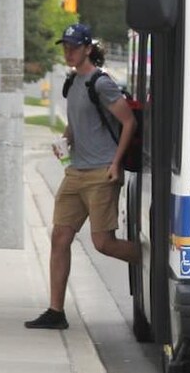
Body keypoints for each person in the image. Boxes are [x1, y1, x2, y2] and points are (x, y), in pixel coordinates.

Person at [26, 23, 139, 330]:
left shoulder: (100, 83)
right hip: (75, 172)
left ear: (88, 48)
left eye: (74, 47)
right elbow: (77, 122)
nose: (68, 51)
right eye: (65, 46)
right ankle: (56, 311)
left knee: (103, 243)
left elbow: (128, 122)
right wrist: (65, 139)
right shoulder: (72, 82)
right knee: (59, 237)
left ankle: (151, 260)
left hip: (102, 172)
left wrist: (116, 165)